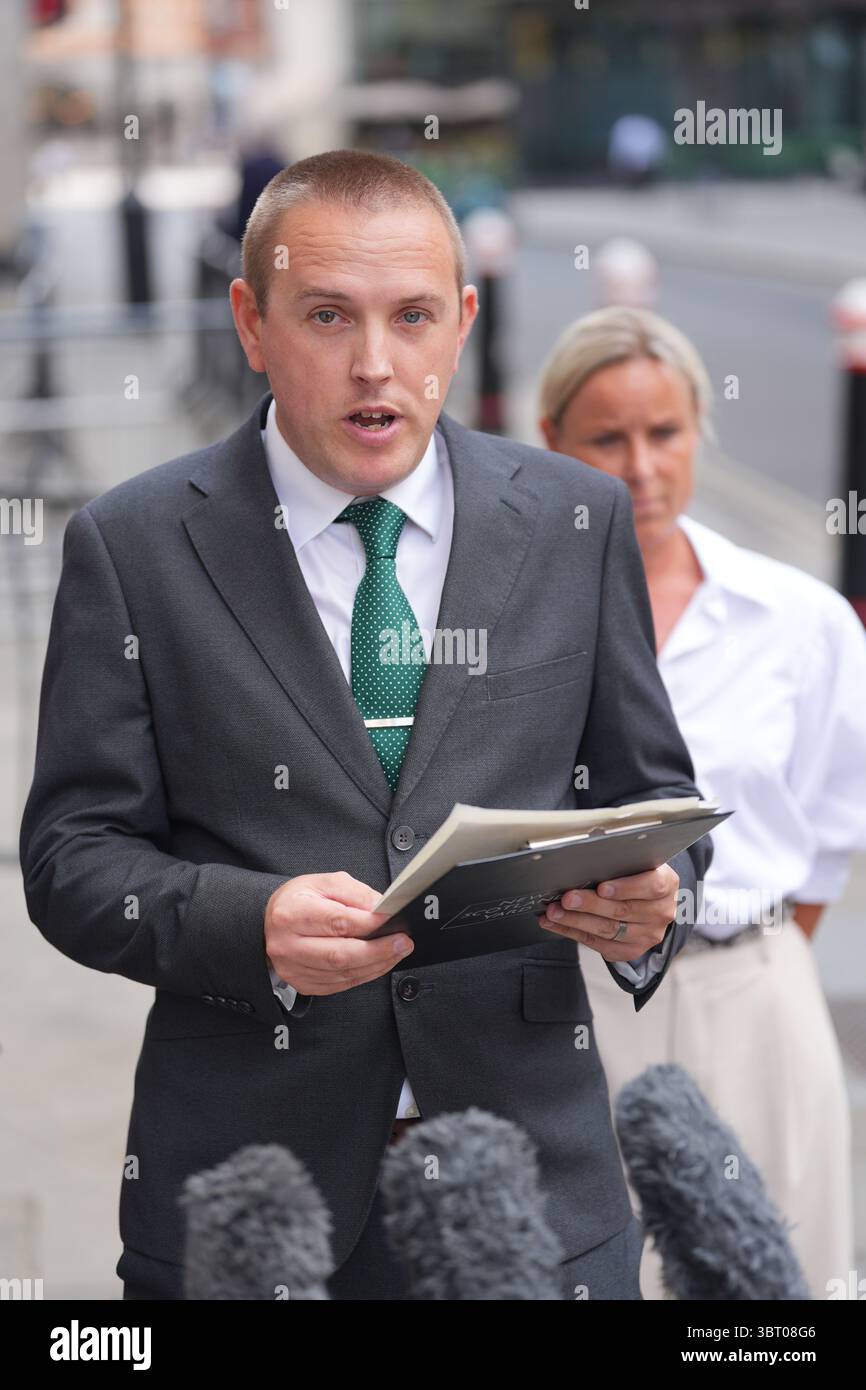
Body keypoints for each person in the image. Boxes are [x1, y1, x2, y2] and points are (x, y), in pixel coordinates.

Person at [19, 153, 712, 1302]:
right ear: (250, 320)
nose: (374, 363)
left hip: (531, 1194)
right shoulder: (129, 546)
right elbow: (70, 860)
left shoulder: (572, 520)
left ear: (462, 324)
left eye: (412, 317)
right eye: (327, 315)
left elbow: (655, 798)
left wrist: (652, 900)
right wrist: (250, 923)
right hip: (249, 1196)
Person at [538, 305, 866, 1299]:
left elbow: (825, 839)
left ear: (695, 434)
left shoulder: (796, 620)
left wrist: (740, 962)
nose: (639, 465)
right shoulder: (511, 622)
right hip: (577, 1008)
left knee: (779, 1289)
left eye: (663, 432)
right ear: (551, 443)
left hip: (757, 997)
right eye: (606, 437)